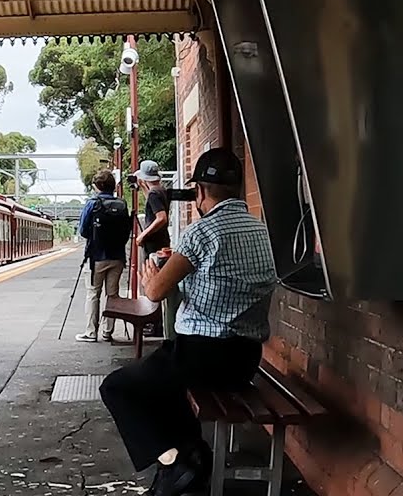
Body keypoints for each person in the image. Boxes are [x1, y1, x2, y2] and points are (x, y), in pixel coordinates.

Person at [98, 147, 276, 495]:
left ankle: (174, 462)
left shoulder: (201, 234)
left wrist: (151, 275)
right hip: (246, 360)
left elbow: (156, 293)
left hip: (200, 356)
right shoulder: (263, 233)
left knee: (117, 387)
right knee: (166, 384)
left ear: (200, 191)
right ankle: (193, 456)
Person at [75, 169, 132, 343]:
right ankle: (108, 332)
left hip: (97, 257)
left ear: (97, 186)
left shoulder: (92, 204)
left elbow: (83, 231)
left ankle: (91, 332)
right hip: (118, 256)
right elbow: (127, 230)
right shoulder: (121, 204)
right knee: (112, 295)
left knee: (93, 293)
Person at [133, 159, 178, 341]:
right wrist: (144, 187)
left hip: (153, 244)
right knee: (158, 279)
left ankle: (154, 324)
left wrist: (142, 235)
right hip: (162, 241)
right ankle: (156, 323)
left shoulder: (153, 194)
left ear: (144, 178)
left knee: (152, 281)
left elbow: (161, 218)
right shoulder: (161, 191)